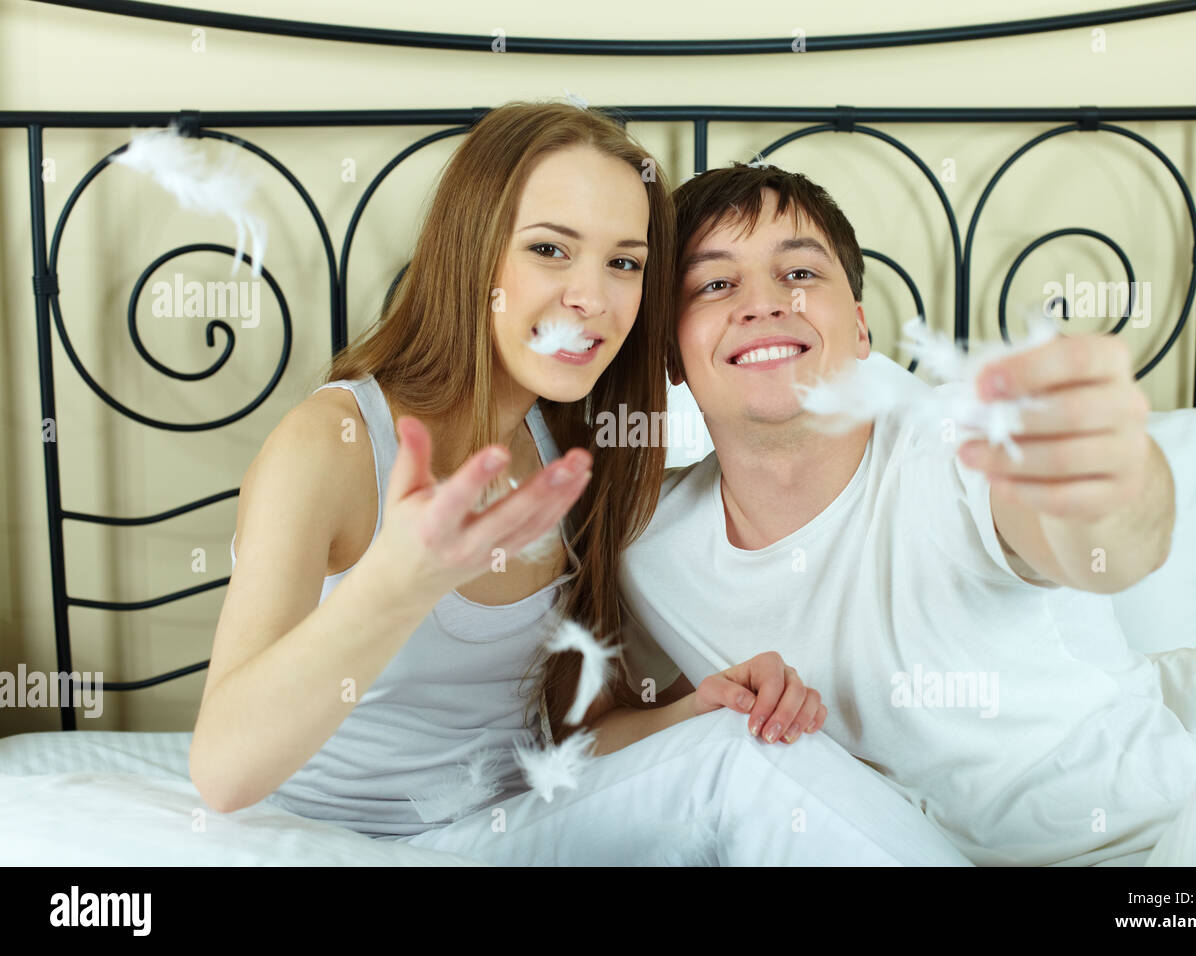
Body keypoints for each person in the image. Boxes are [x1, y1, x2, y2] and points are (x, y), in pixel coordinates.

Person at [189, 101, 970, 866]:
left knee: (750, 746)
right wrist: (396, 583)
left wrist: (701, 709)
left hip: (523, 823)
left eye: (625, 263)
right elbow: (222, 774)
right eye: (551, 250)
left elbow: (575, 734)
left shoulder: (572, 448)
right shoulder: (334, 444)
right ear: (475, 251)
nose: (592, 298)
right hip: (345, 843)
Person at [615, 160, 1196, 866]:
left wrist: (1104, 476)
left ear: (858, 329)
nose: (762, 302)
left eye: (800, 274)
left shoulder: (956, 442)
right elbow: (595, 735)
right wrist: (695, 713)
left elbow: (1106, 541)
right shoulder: (647, 546)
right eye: (715, 283)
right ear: (670, 350)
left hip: (1161, 860)